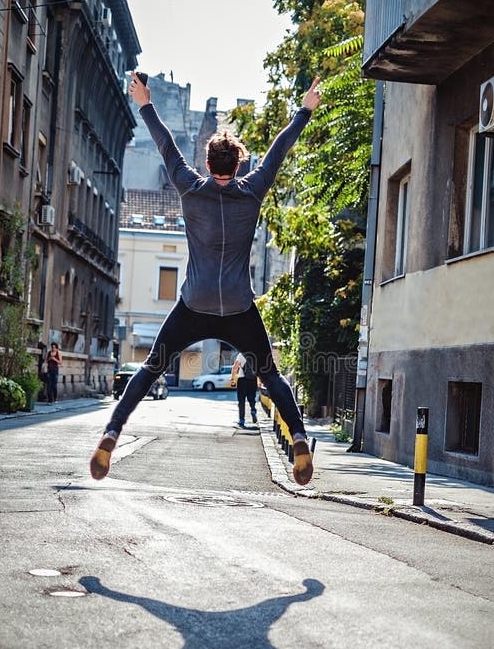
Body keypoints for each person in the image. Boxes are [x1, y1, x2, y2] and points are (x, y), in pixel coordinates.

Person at [89, 72, 322, 486]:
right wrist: (305, 110)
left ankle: (112, 431)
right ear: (237, 163)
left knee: (150, 368)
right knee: (270, 374)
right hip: (237, 306)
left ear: (208, 164)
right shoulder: (253, 190)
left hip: (194, 304)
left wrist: (145, 101)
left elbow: (165, 144)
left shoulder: (189, 188)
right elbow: (279, 149)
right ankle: (300, 439)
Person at [231, 352, 258, 428]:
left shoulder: (241, 355)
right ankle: (253, 410)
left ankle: (241, 420)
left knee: (241, 401)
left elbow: (235, 367)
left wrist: (233, 379)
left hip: (242, 379)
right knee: (252, 398)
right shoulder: (255, 354)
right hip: (253, 379)